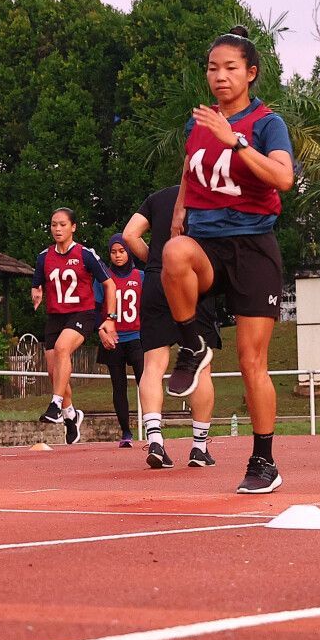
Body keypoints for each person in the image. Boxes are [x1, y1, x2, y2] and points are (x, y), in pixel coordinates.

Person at [162, 25, 294, 494]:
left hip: (254, 246)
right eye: (213, 68)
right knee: (173, 253)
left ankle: (264, 460)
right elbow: (189, 169)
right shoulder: (197, 122)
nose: (220, 76)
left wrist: (235, 139)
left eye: (230, 68)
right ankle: (193, 343)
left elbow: (283, 178)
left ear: (251, 73)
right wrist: (180, 211)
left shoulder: (266, 123)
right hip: (208, 242)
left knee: (250, 360)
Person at [123, 186, 221, 469]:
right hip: (195, 281)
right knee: (200, 363)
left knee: (153, 362)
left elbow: (130, 234)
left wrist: (153, 261)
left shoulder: (157, 198)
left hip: (157, 279)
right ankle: (199, 447)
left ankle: (155, 440)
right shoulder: (212, 195)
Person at [31, 207, 117, 445]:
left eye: (62, 225)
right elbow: (37, 283)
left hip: (82, 313)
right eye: (53, 225)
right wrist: (36, 293)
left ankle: (56, 405)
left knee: (62, 349)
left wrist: (109, 317)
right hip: (55, 316)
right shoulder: (43, 257)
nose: (57, 229)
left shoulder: (85, 254)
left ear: (73, 227)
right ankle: (71, 415)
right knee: (53, 371)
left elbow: (110, 285)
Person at [93, 234, 144, 448]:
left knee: (146, 383)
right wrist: (101, 332)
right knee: (118, 385)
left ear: (129, 251)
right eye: (113, 252)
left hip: (137, 337)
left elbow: (150, 307)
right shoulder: (103, 279)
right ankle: (126, 432)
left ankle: (153, 428)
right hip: (113, 339)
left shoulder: (141, 276)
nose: (117, 255)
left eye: (121, 251)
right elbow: (95, 310)